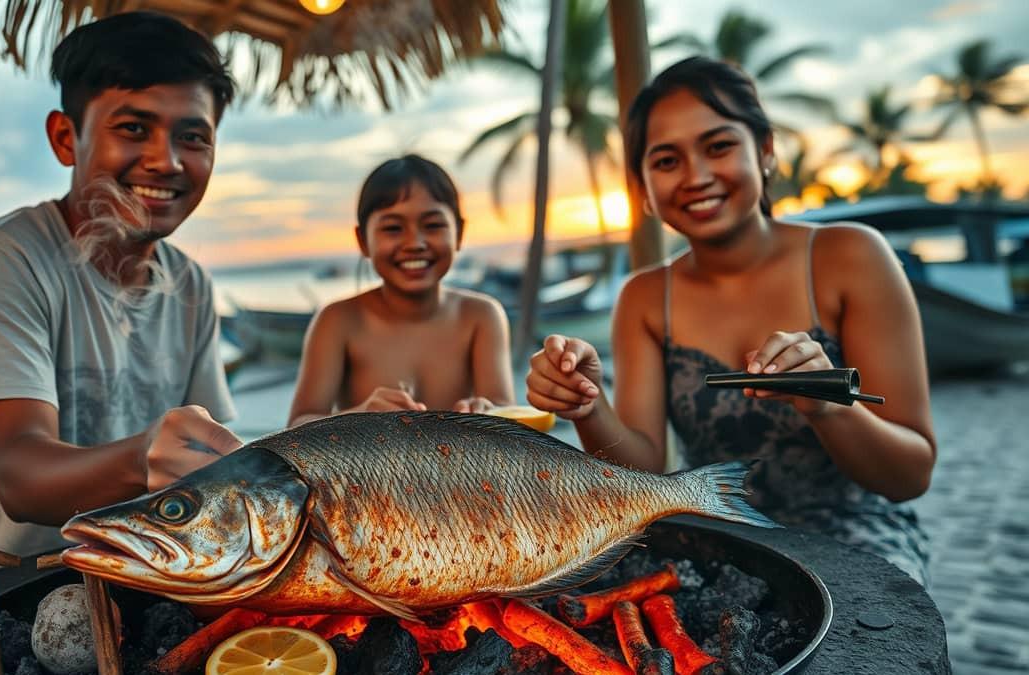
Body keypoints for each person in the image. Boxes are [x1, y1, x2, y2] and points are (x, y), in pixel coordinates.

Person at [525, 57, 935, 584]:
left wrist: (827, 407)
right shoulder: (646, 296)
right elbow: (645, 471)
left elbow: (910, 475)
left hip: (855, 530)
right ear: (644, 188)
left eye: (718, 146)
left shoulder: (851, 256)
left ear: (764, 151)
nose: (696, 176)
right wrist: (587, 403)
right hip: (719, 531)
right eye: (666, 160)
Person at [0, 12, 243, 594]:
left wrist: (341, 433)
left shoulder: (190, 286)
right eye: (134, 129)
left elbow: (209, 452)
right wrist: (145, 458)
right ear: (66, 138)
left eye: (193, 136)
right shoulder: (0, 260)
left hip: (131, 592)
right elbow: (21, 477)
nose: (166, 161)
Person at [288, 155, 515, 425]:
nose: (415, 243)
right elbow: (297, 425)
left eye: (432, 225)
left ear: (460, 233)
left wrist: (488, 412)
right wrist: (358, 417)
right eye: (393, 228)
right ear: (363, 241)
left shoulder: (481, 316)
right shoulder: (337, 321)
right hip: (365, 467)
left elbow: (506, 415)